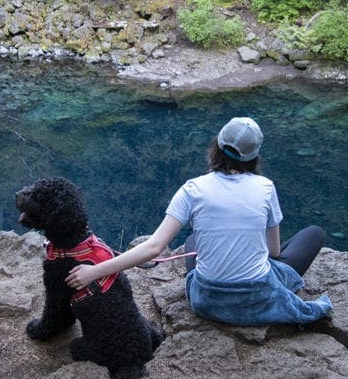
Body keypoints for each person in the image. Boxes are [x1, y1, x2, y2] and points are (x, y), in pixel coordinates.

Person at [66, 116, 332, 326]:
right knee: (314, 233)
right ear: (254, 156)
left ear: (216, 146)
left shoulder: (192, 189)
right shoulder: (265, 187)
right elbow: (273, 252)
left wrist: (94, 271)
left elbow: (153, 248)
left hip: (207, 301)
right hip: (257, 296)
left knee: (193, 240)